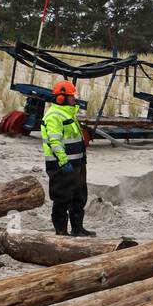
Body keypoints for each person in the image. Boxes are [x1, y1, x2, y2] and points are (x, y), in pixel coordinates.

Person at [41, 80, 95, 237]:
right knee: (62, 198)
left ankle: (78, 229)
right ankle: (61, 231)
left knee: (79, 196)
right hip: (61, 166)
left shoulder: (68, 113)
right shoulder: (53, 116)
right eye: (71, 96)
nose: (74, 99)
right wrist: (63, 161)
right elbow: (54, 141)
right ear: (60, 98)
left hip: (77, 163)